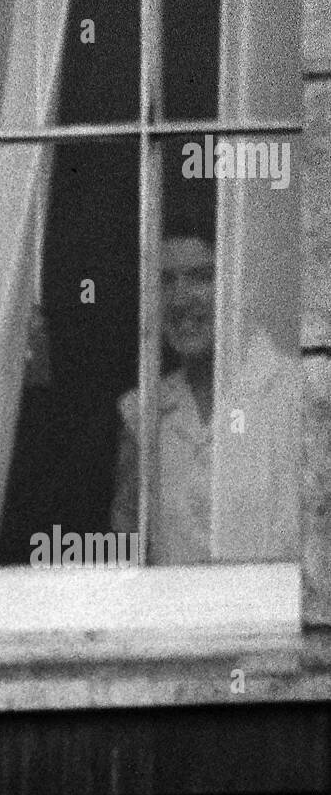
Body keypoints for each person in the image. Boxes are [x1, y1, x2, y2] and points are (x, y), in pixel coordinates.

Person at [109, 230, 299, 564]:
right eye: (166, 281)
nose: (180, 299)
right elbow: (128, 545)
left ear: (245, 288)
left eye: (201, 277)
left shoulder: (298, 391)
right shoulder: (142, 410)